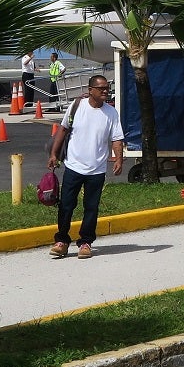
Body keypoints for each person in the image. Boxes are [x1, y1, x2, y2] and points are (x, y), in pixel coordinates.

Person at [46, 75, 123, 259]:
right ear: (91, 90)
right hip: (73, 166)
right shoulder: (76, 107)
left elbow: (117, 139)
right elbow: (62, 130)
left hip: (96, 169)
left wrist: (119, 159)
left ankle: (85, 242)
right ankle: (62, 241)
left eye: (107, 87)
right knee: (66, 205)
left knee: (91, 207)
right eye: (101, 88)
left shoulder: (111, 113)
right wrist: (54, 155)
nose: (106, 91)